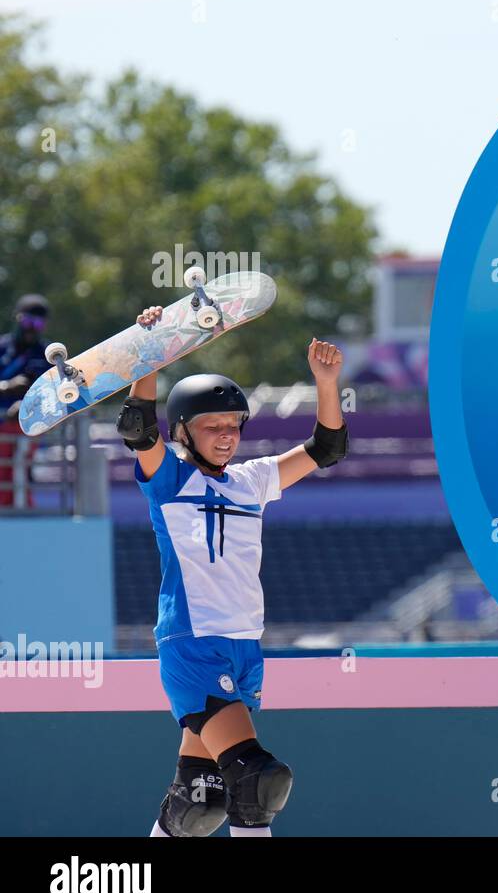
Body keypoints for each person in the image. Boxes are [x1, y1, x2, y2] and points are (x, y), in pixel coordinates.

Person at [120, 304, 349, 837]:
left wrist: (327, 382)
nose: (226, 435)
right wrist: (148, 350)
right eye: (212, 426)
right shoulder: (170, 480)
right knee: (257, 783)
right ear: (183, 431)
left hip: (245, 646)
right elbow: (136, 425)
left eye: (233, 425)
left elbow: (328, 447)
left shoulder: (252, 480)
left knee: (197, 803)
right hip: (194, 643)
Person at [0, 295, 53, 508]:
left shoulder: (47, 354)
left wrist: (27, 404)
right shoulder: (2, 347)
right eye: (28, 322)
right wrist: (7, 386)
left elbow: (55, 394)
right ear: (18, 318)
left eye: (38, 323)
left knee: (18, 471)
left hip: (25, 429)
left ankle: (21, 508)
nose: (32, 328)